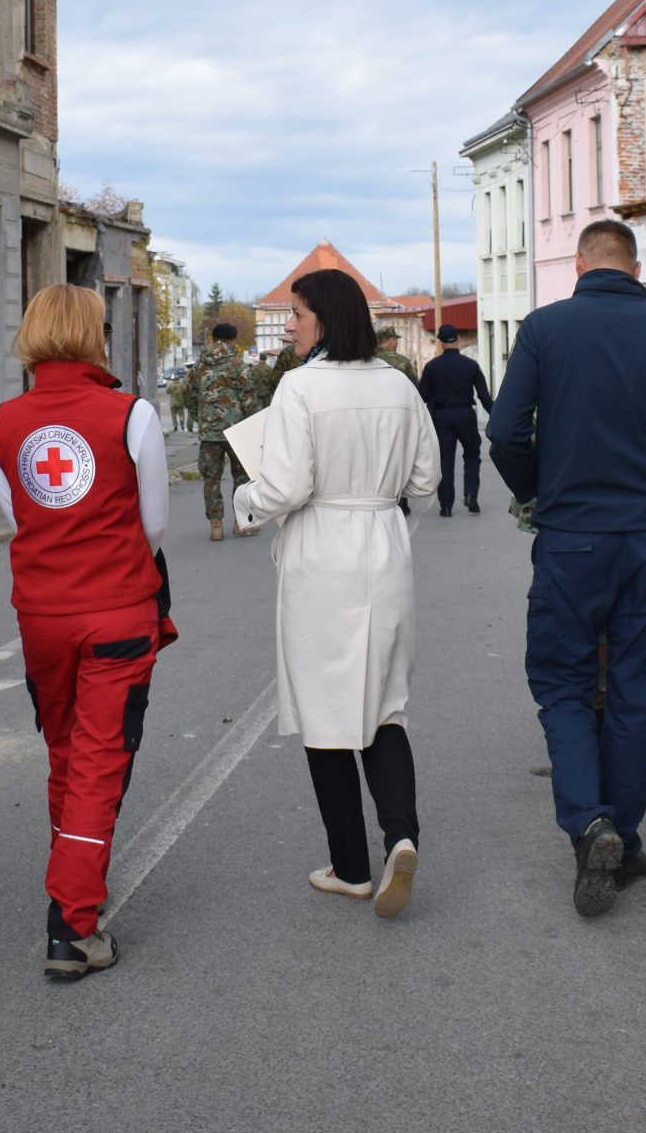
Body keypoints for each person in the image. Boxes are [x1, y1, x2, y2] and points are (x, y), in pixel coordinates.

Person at [487, 220, 646, 917]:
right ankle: (622, 836)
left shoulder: (544, 329)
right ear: (635, 265)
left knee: (564, 685)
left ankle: (590, 824)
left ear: (579, 264)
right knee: (635, 690)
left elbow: (504, 432)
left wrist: (541, 490)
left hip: (570, 538)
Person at [234, 269, 438, 919]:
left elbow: (286, 487)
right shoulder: (399, 385)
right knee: (385, 700)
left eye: (296, 314)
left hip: (322, 550)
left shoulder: (300, 387)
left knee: (325, 708)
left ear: (324, 317)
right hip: (384, 542)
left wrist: (244, 499)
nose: (288, 325)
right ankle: (400, 835)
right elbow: (426, 480)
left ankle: (351, 866)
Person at [0, 286, 176, 978]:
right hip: (117, 609)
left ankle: (76, 874)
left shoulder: (5, 419)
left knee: (66, 752)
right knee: (100, 760)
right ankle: (72, 922)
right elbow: (153, 525)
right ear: (94, 334)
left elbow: (18, 514)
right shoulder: (132, 414)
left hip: (42, 615)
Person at [415, 323, 493, 516]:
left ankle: (446, 506)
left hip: (442, 416)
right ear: (457, 339)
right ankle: (471, 493)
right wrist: (496, 416)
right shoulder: (471, 365)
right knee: (472, 455)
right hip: (465, 414)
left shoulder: (432, 367)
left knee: (444, 461)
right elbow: (484, 396)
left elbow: (422, 395)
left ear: (441, 342)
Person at [186, 321, 253, 543]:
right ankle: (241, 522)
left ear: (213, 339)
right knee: (242, 477)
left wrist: (201, 419)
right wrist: (250, 423)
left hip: (209, 432)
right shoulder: (238, 364)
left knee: (211, 479)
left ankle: (216, 525)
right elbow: (249, 398)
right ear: (232, 340)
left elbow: (189, 396)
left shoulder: (198, 366)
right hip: (236, 431)